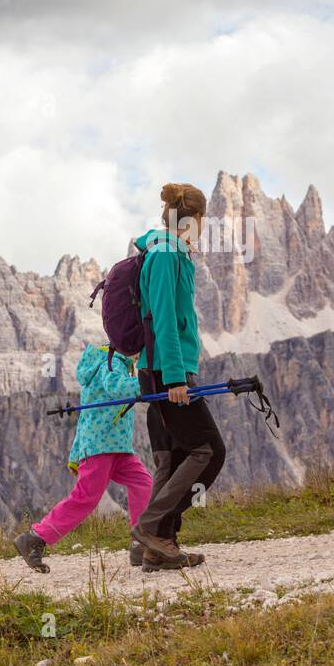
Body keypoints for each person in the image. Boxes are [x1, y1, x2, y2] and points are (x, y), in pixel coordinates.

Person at [129, 182, 225, 571]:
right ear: (195, 219)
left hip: (158, 370)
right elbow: (164, 319)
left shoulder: (165, 251)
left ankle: (157, 547)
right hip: (168, 373)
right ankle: (151, 528)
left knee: (173, 457)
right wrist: (175, 380)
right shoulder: (167, 255)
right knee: (209, 451)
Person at [13, 344, 155, 573]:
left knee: (143, 483)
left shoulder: (110, 361)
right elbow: (116, 387)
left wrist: (75, 453)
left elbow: (86, 415)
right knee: (85, 498)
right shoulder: (112, 362)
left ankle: (140, 541)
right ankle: (35, 538)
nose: (139, 355)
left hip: (117, 447)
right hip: (101, 447)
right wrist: (150, 383)